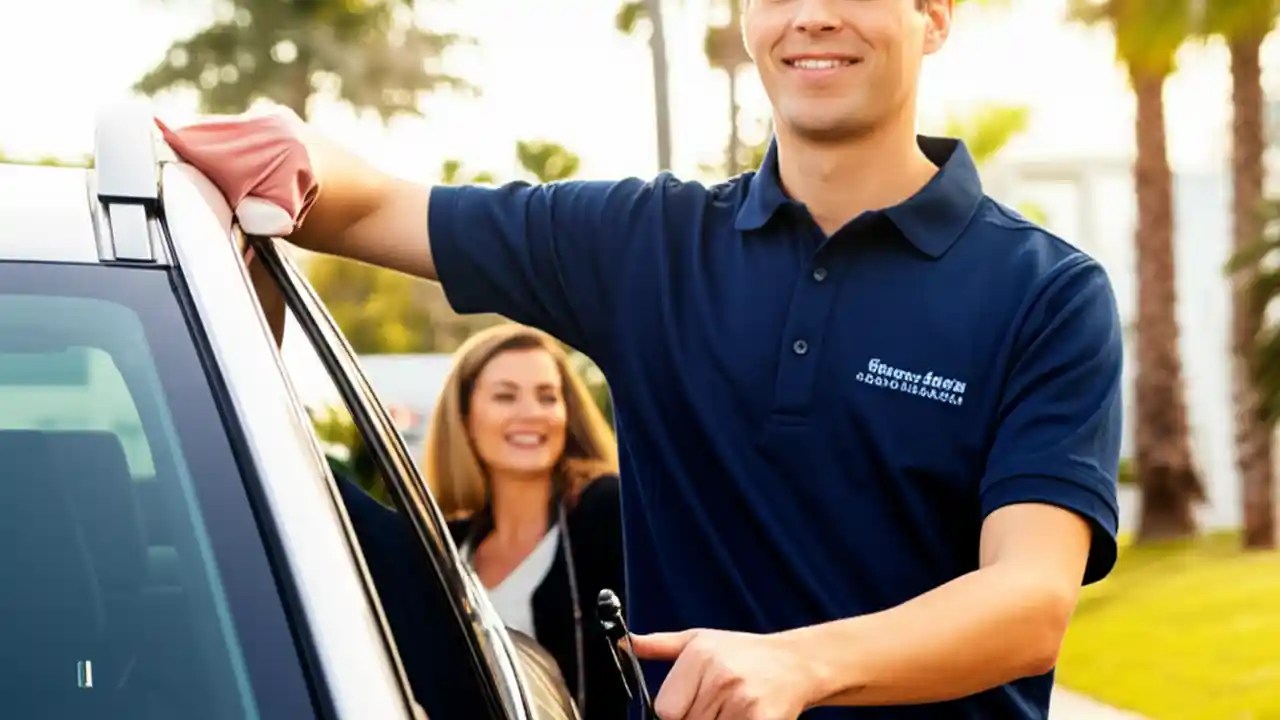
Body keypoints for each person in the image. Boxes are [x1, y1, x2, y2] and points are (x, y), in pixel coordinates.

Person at [165, 1, 1125, 717]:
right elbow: (374, 206)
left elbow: (1029, 600)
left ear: (934, 16)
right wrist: (287, 154)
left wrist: (799, 663)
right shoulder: (645, 244)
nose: (813, 17)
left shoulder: (1044, 292)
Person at [425, 323, 629, 720]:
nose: (532, 414)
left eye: (547, 397)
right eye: (505, 396)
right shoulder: (446, 544)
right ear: (464, 417)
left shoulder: (607, 512)